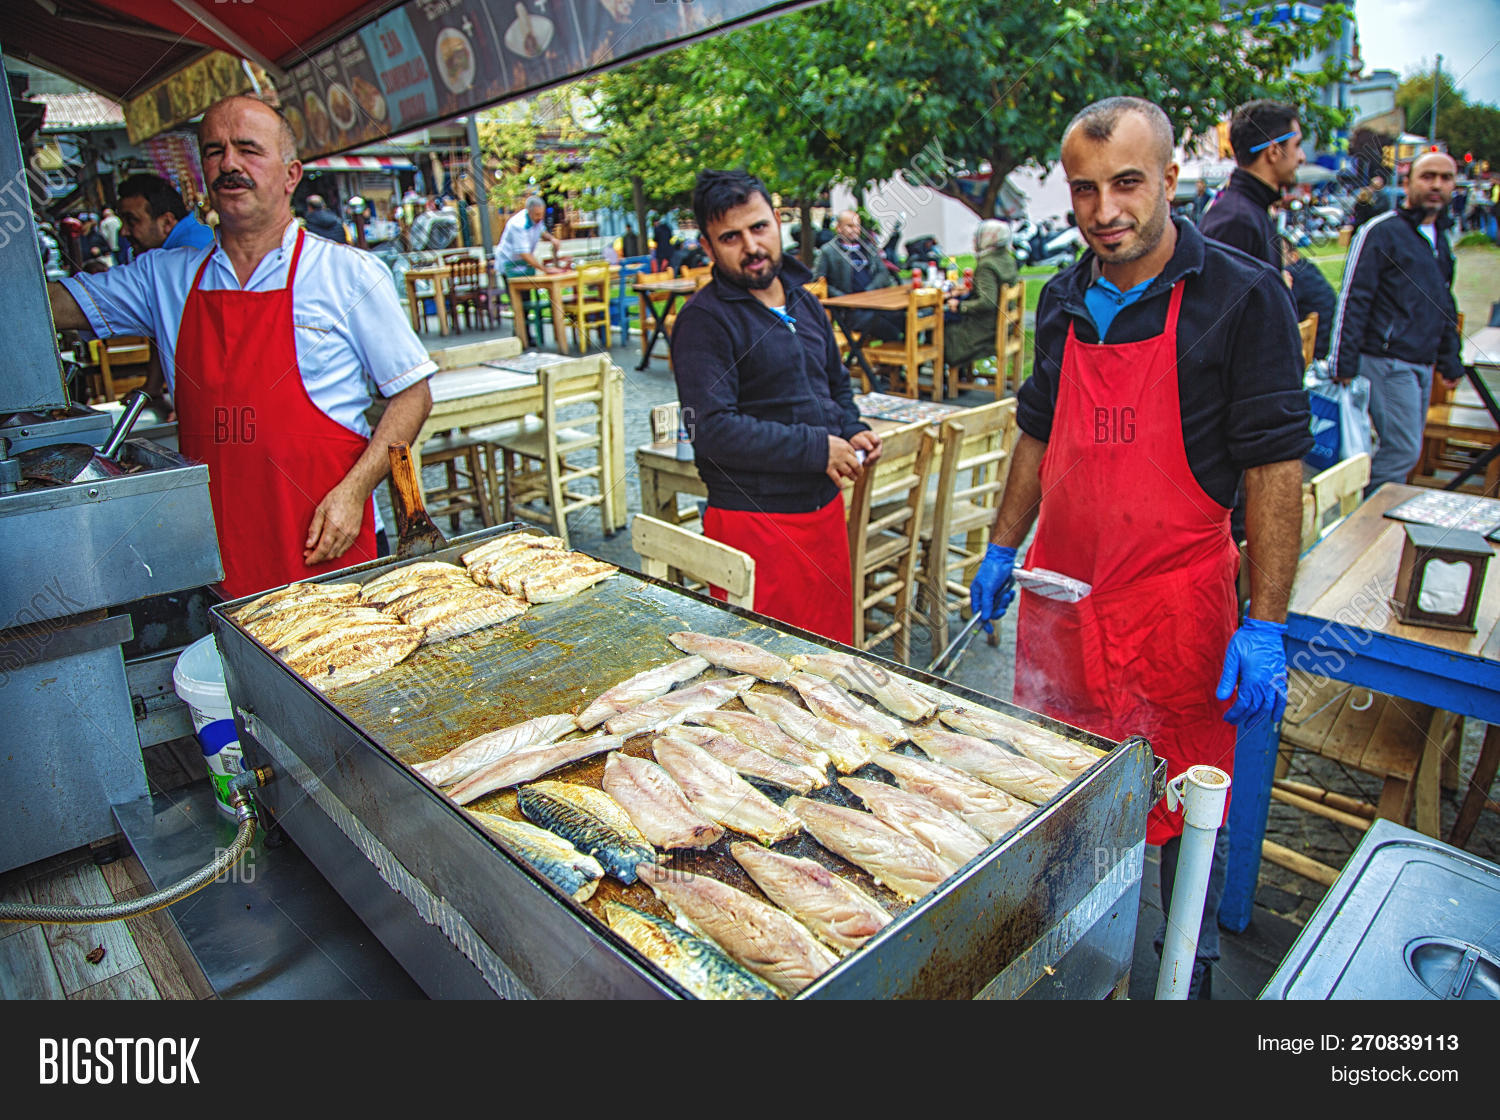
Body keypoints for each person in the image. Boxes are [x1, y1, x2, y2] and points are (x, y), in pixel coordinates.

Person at [969, 97, 1309, 999]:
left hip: (1175, 615)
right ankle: (1071, 963)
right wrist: (1003, 548)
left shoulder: (1243, 297)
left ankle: (1184, 969)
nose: (1105, 210)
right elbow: (1038, 433)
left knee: (1181, 813)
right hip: (1064, 610)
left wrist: (1267, 622)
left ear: (1169, 179)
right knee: (1069, 804)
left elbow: (1277, 469)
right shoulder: (1061, 296)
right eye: (1085, 190)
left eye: (1126, 183)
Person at [46, 94, 434, 598]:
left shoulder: (348, 274)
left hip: (329, 545)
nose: (229, 164)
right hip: (221, 552)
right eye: (214, 151)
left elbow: (413, 395)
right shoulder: (166, 277)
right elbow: (54, 307)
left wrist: (355, 492)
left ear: (291, 174)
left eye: (248, 149)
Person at [671, 169, 883, 643]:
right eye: (730, 236)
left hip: (825, 519)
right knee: (766, 679)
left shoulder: (805, 303)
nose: (751, 246)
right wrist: (816, 449)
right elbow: (713, 431)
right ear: (707, 247)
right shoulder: (703, 322)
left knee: (831, 667)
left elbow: (835, 385)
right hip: (755, 528)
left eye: (759, 227)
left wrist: (851, 428)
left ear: (777, 222)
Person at [1329, 151, 1462, 494]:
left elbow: (1443, 302)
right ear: (1407, 183)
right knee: (1402, 451)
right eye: (1427, 176)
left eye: (1445, 178)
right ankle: (1361, 521)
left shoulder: (1440, 241)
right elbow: (1353, 296)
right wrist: (1341, 362)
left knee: (1402, 452)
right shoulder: (1382, 232)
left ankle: (1381, 525)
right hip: (1385, 359)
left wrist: (1450, 360)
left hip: (1422, 360)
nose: (1436, 185)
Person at [1199, 100, 1305, 271]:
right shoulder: (1236, 222)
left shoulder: (1253, 211)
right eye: (1297, 145)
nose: (1302, 157)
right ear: (1274, 151)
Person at [813, 209, 903, 340]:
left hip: (875, 303)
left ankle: (900, 356)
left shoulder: (868, 248)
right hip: (850, 312)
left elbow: (882, 272)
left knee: (902, 317)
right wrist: (844, 299)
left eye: (856, 226)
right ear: (838, 228)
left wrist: (869, 291)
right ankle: (892, 357)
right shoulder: (828, 251)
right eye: (849, 226)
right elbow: (818, 281)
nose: (854, 229)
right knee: (887, 327)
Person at [944, 219, 1019, 368]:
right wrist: (972, 289)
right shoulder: (1007, 259)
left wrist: (959, 306)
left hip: (987, 331)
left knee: (941, 329)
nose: (974, 240)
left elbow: (987, 302)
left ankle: (947, 381)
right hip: (1005, 325)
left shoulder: (987, 264)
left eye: (977, 236)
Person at [496, 195, 564, 343]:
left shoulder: (536, 220)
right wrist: (545, 269)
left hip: (523, 266)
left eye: (542, 214)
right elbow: (524, 253)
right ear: (529, 212)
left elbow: (541, 231)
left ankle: (525, 336)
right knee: (518, 303)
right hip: (509, 265)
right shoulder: (518, 225)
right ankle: (521, 337)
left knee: (526, 300)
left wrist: (552, 238)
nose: (540, 218)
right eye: (537, 215)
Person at [116, 173, 216, 253]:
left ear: (167, 222)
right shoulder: (195, 236)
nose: (123, 232)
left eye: (131, 220)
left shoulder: (186, 255)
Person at [1279, 236, 1335, 362]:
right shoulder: (1308, 269)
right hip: (1327, 344)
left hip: (1312, 353)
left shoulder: (1290, 275)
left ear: (1294, 256)